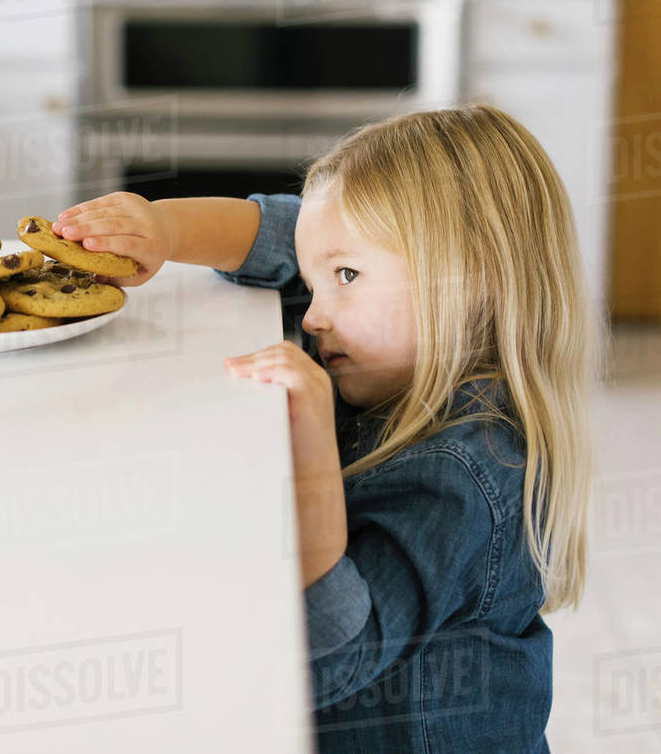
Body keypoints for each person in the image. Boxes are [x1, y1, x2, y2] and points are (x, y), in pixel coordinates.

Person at [50, 103, 596, 752]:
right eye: (314, 281)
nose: (312, 316)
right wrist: (163, 226)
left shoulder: (469, 470)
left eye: (345, 277)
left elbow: (322, 659)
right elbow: (285, 234)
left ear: (468, 277)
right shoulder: (395, 347)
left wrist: (308, 441)